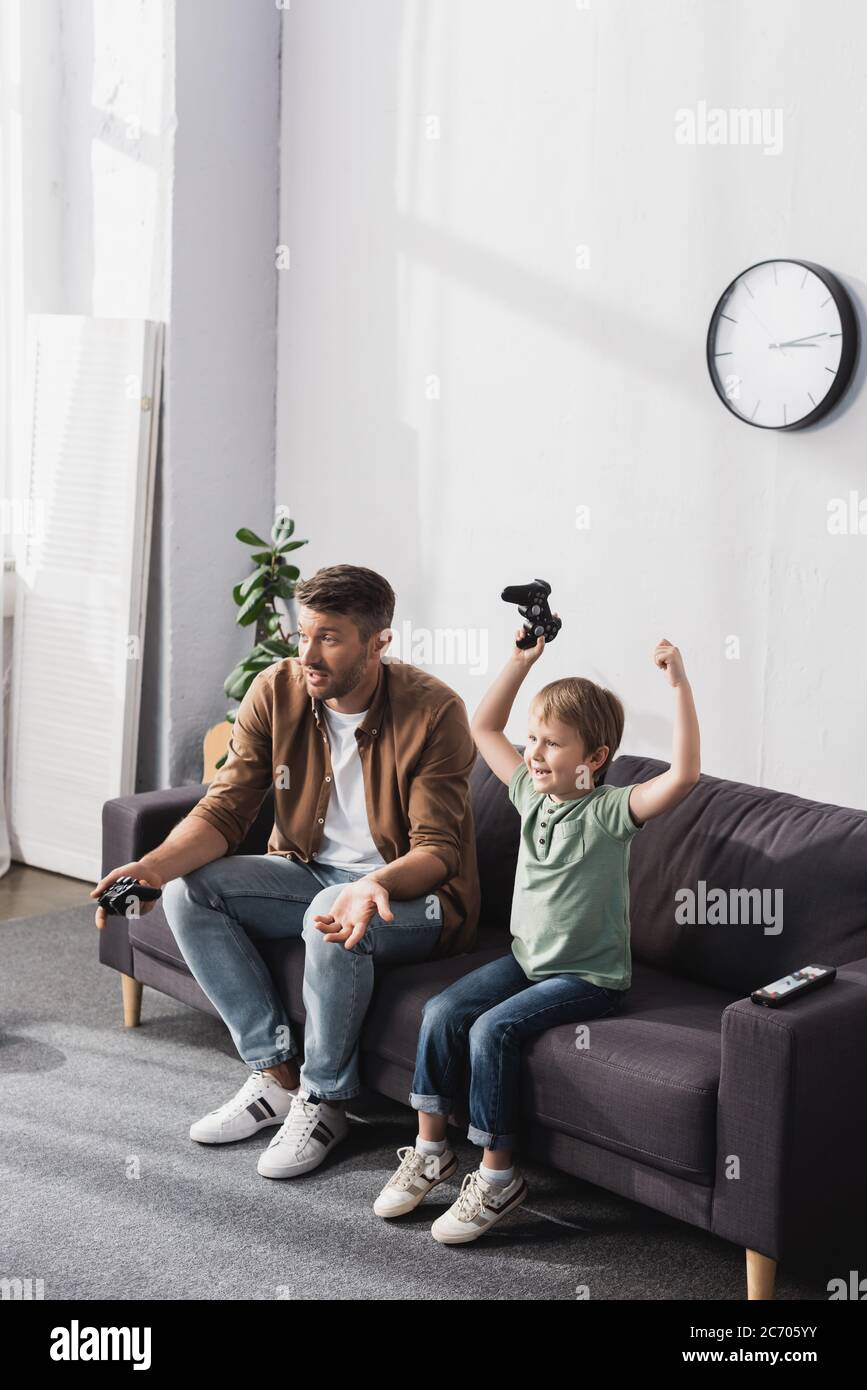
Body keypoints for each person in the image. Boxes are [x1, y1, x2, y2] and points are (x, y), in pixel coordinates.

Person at [92, 565, 480, 1180]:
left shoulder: (434, 712)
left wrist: (369, 885)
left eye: (329, 638)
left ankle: (326, 1101)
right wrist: (150, 869)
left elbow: (438, 852)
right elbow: (225, 807)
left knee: (332, 919)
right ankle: (275, 1076)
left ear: (379, 642)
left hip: (415, 898)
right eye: (303, 635)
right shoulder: (278, 690)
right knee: (194, 892)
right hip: (307, 870)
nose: (309, 654)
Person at [373, 620, 701, 1243]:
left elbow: (683, 776)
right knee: (443, 1011)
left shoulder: (610, 812)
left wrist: (680, 684)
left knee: (494, 1029)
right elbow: (482, 728)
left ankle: (498, 1179)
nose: (533, 753)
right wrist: (522, 660)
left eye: (551, 743)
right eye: (533, 739)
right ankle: (431, 1148)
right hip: (527, 961)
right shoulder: (529, 794)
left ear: (595, 759)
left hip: (588, 977)